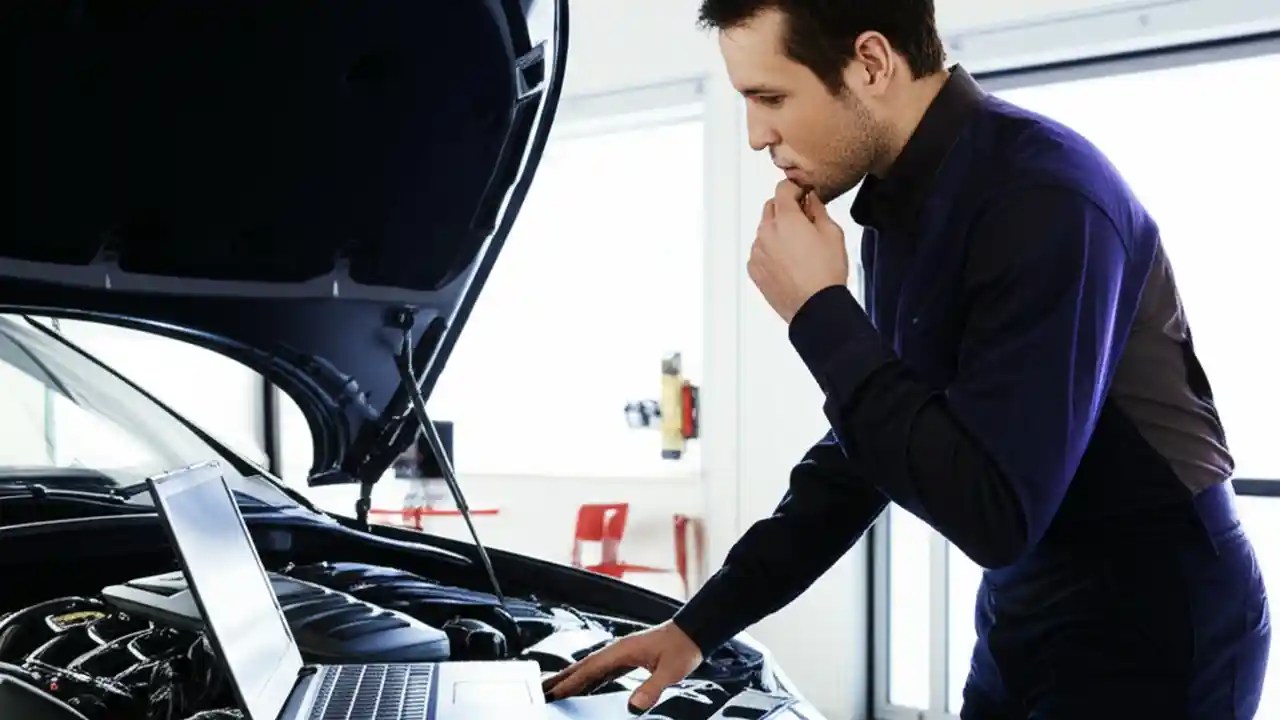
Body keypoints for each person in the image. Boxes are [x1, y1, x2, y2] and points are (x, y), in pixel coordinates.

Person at [543, 1, 1271, 717]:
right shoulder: (898, 212)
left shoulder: (1045, 196)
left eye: (769, 97)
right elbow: (868, 450)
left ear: (870, 63)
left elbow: (995, 512)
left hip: (1158, 622)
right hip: (1024, 609)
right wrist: (697, 626)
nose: (756, 135)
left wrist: (818, 313)